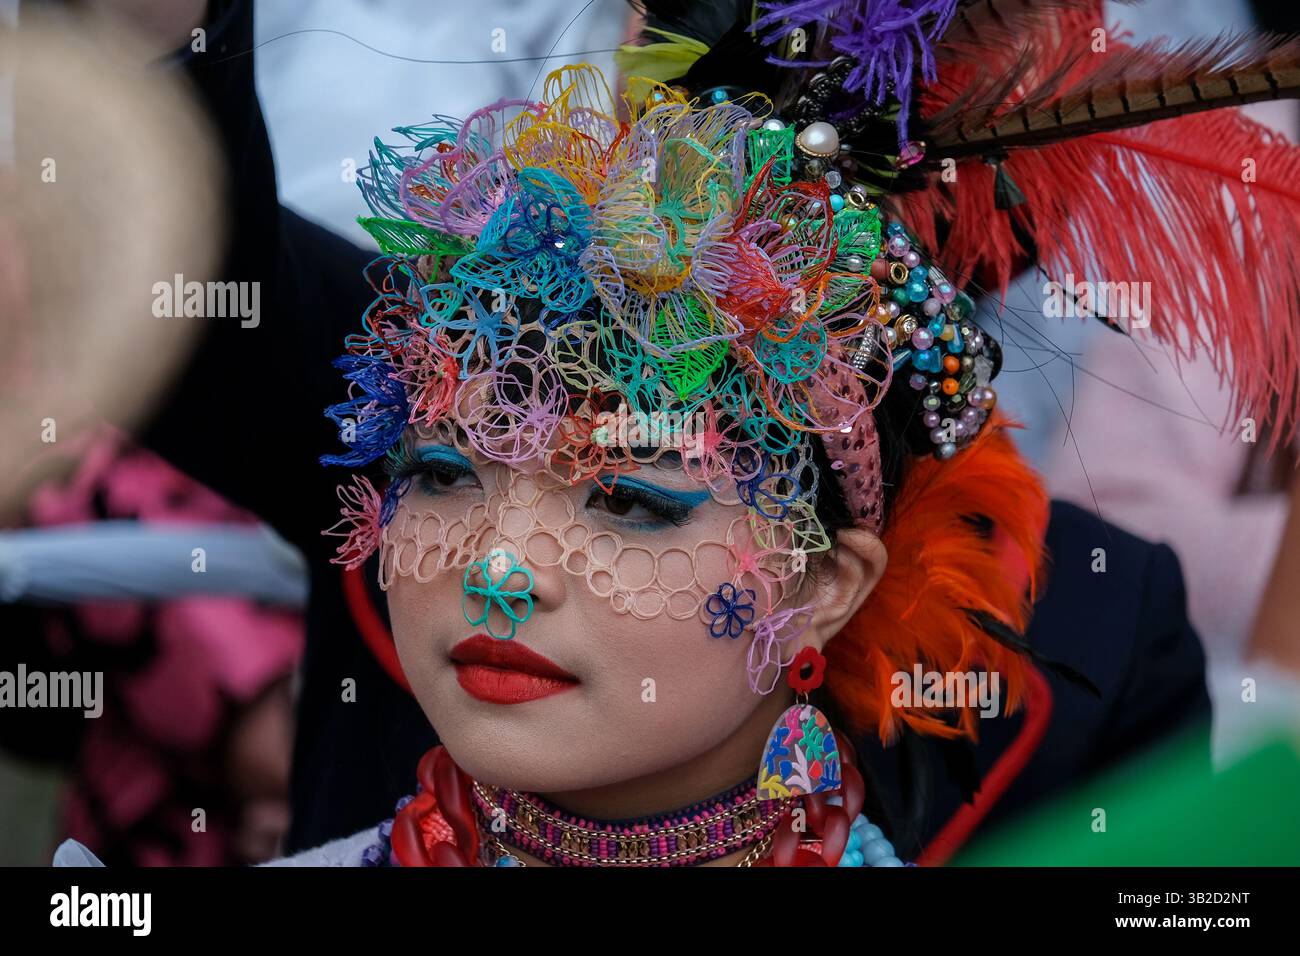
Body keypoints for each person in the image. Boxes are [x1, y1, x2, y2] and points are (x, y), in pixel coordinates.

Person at [49, 0, 1297, 865]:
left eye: (634, 499)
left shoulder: (1095, 622)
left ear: (830, 580)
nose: (499, 562)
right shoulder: (428, 355)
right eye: (437, 473)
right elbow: (193, 261)